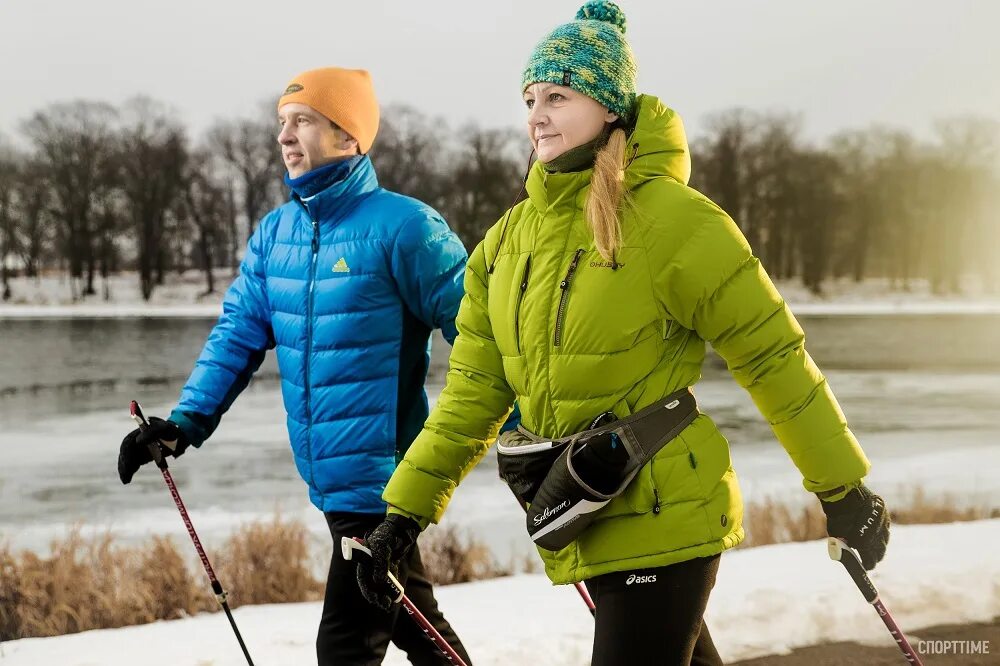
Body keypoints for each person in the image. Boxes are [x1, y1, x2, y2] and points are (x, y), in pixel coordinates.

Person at [355, 3, 891, 665]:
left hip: (666, 508)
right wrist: (401, 518)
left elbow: (774, 359)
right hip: (584, 509)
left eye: (558, 95)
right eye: (529, 98)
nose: (537, 115)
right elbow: (472, 396)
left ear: (609, 107)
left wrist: (841, 488)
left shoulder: (675, 221)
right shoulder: (507, 241)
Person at [117, 66, 473, 666]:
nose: (286, 135)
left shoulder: (406, 228)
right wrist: (182, 423)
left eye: (303, 120)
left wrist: (522, 428)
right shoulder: (274, 235)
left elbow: (482, 335)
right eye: (282, 122)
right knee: (417, 625)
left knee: (344, 646)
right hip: (332, 483)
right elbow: (237, 336)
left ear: (350, 136)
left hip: (385, 480)